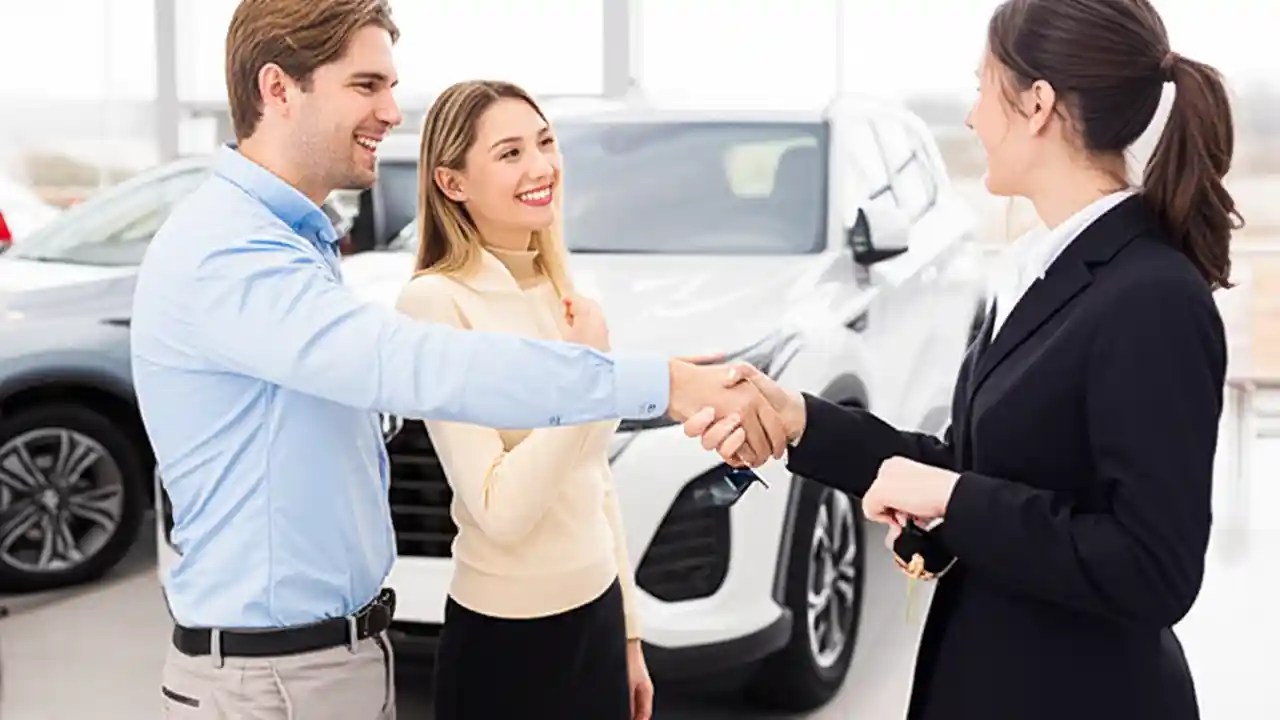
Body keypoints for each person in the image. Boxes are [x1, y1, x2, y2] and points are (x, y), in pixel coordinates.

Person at [129, 2, 785, 718]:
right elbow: (422, 366)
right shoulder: (232, 252)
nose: (391, 111)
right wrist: (652, 381)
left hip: (327, 660)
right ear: (278, 88)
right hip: (276, 680)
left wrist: (627, 630)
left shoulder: (294, 244)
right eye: (366, 84)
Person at [687, 1, 1241, 718]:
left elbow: (1152, 568)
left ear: (1037, 104)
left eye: (983, 86)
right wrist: (796, 421)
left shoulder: (1152, 297)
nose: (972, 116)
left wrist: (952, 502)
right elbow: (973, 467)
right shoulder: (1041, 269)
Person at [394, 79, 656, 720]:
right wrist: (589, 376)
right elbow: (500, 510)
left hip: (596, 617)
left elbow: (594, 479)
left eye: (544, 142)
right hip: (507, 642)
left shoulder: (563, 292)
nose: (541, 167)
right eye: (510, 153)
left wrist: (628, 635)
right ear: (452, 182)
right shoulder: (435, 303)